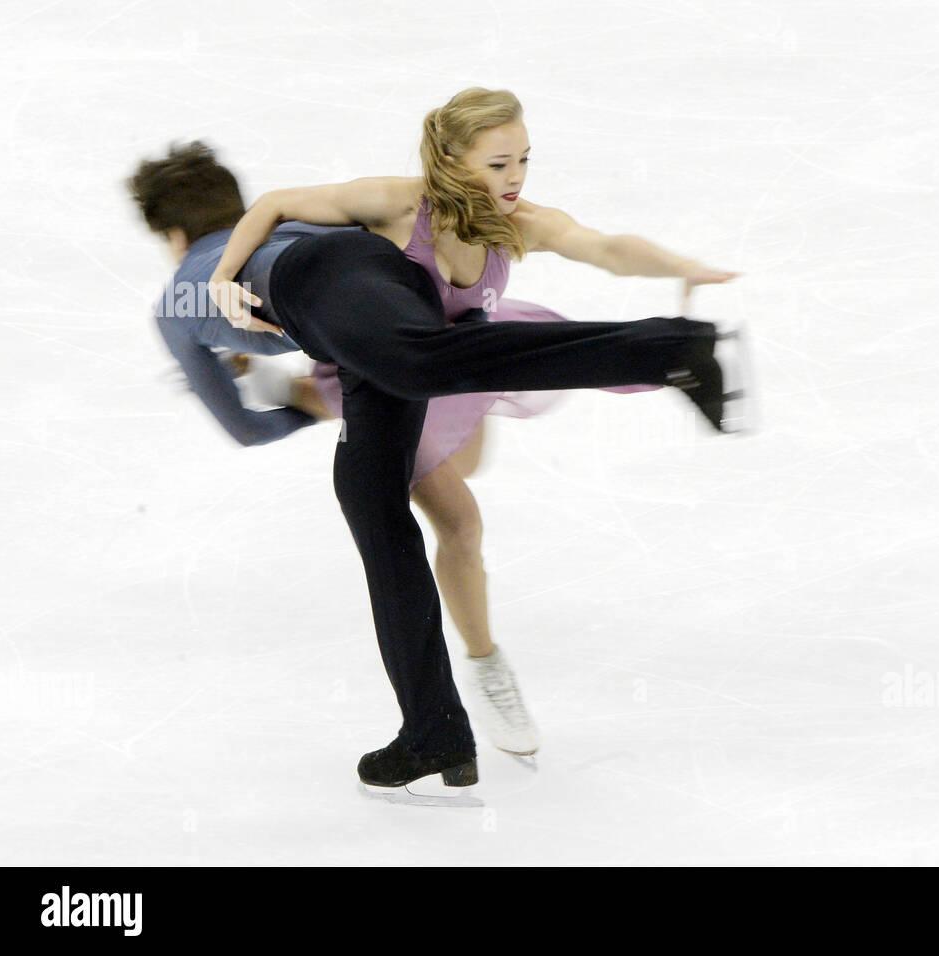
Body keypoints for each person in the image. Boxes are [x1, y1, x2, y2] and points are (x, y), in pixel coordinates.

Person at [205, 86, 746, 798]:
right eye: (498, 163)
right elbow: (276, 202)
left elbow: (605, 248)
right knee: (402, 422)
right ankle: (670, 352)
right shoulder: (401, 202)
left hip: (413, 356)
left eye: (523, 159)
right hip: (354, 313)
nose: (515, 177)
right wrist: (220, 277)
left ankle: (436, 725)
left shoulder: (517, 224)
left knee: (400, 501)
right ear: (453, 160)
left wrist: (680, 266)